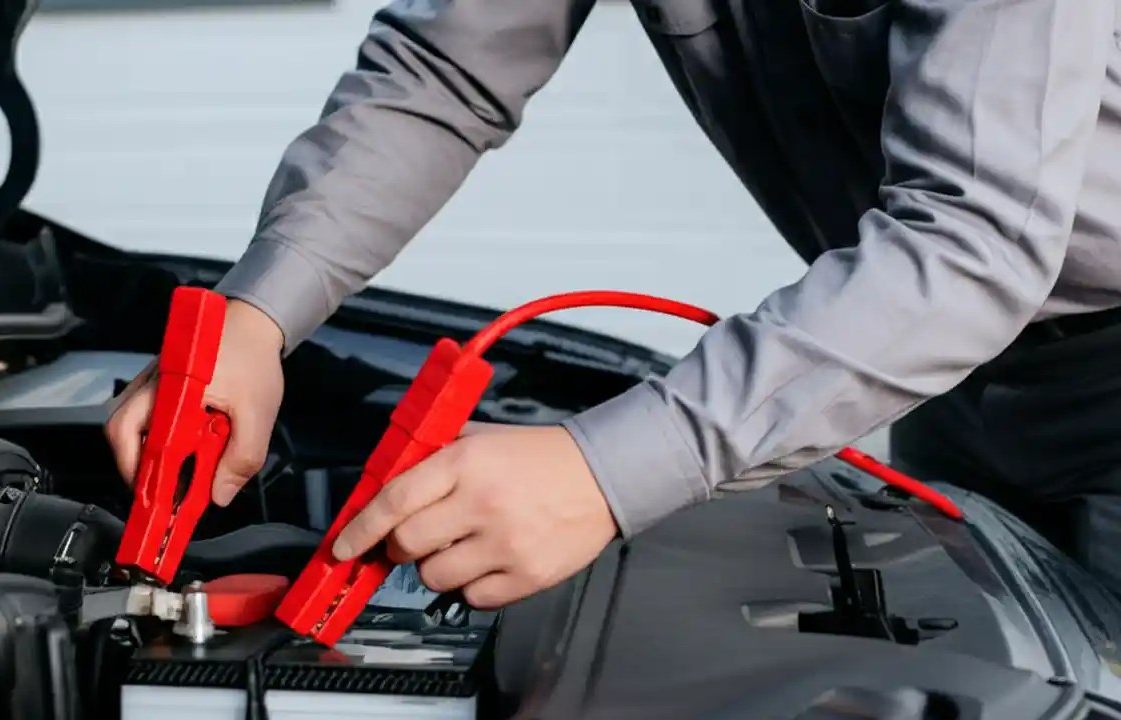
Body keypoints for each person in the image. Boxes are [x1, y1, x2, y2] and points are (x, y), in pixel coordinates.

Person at [107, 0, 1121, 606]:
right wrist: (256, 311)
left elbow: (971, 234)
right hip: (946, 372)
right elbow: (444, 68)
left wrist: (602, 473)